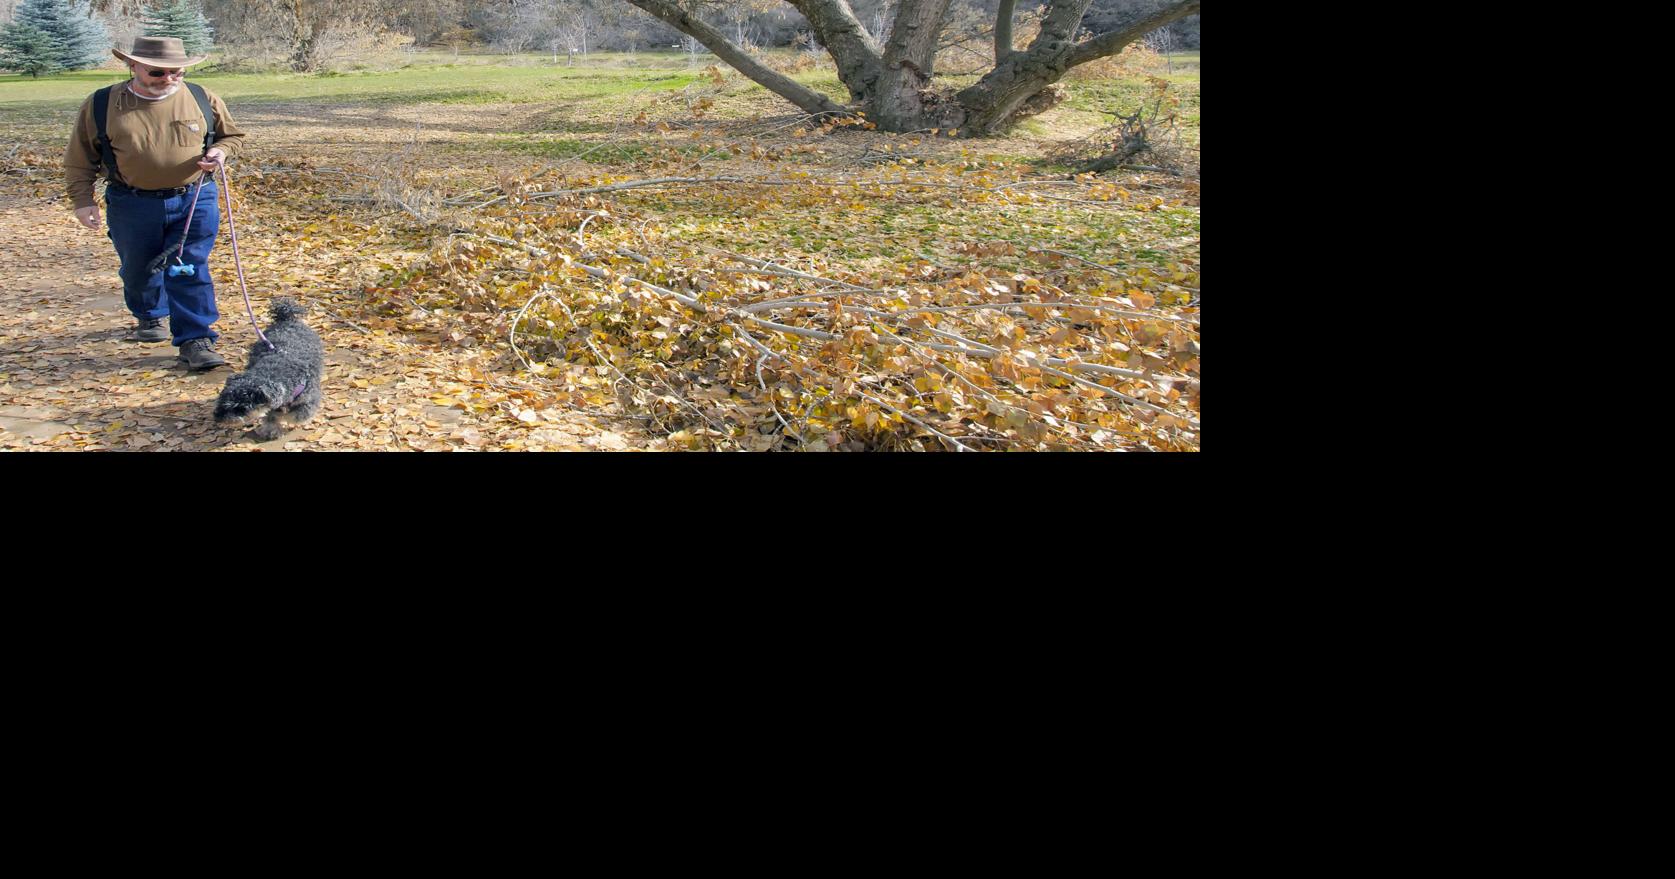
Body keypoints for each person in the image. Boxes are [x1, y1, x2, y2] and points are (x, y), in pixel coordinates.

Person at [65, 36, 248, 371]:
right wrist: (82, 200)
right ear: (133, 66)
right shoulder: (102, 104)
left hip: (194, 198)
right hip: (131, 203)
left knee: (189, 267)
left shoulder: (201, 97)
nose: (168, 79)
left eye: (175, 73)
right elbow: (80, 158)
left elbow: (231, 136)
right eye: (158, 73)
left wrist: (220, 151)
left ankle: (196, 338)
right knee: (139, 268)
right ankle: (150, 316)